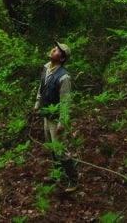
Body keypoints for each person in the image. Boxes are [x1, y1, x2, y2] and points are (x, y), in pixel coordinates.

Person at [32, 40, 79, 190]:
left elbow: (65, 101)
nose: (54, 50)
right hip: (46, 113)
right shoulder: (46, 67)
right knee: (51, 146)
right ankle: (57, 173)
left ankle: (73, 179)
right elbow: (42, 87)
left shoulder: (64, 77)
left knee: (60, 148)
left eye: (58, 50)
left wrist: (62, 122)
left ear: (62, 58)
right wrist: (37, 103)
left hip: (56, 118)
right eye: (55, 48)